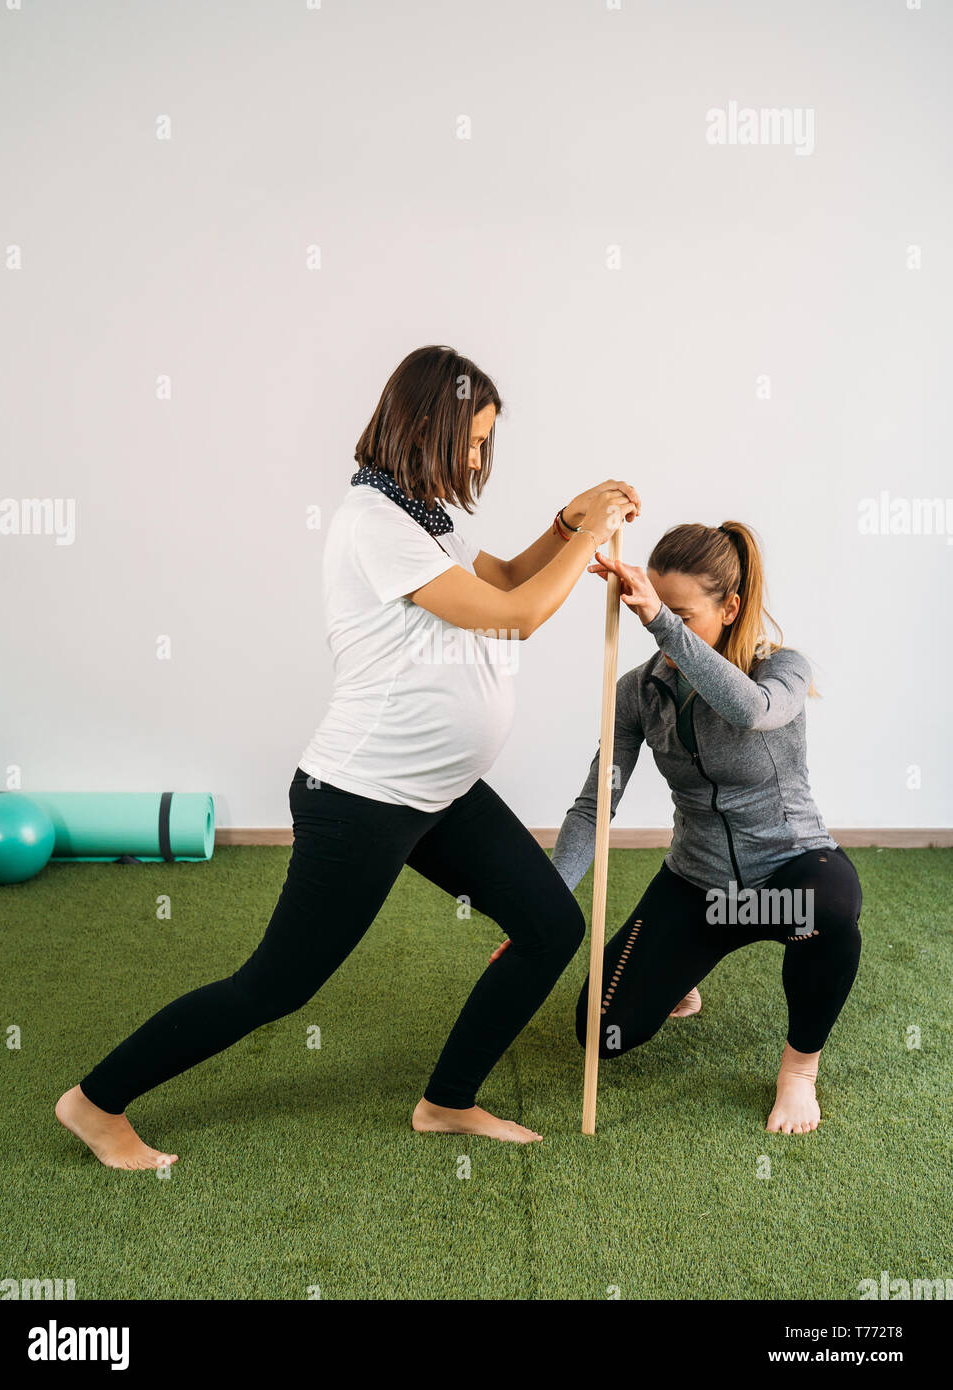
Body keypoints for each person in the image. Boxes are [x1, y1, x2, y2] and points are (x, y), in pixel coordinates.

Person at [55, 343, 639, 1165]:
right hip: (362, 797)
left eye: (485, 443)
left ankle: (446, 1103)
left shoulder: (426, 515)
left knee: (549, 924)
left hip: (438, 789)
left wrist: (565, 525)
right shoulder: (374, 524)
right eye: (471, 441)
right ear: (426, 426)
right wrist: (592, 534)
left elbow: (507, 576)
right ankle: (94, 1102)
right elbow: (517, 615)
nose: (478, 459)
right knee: (277, 986)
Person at [492, 520, 863, 1135]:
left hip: (788, 876)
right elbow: (594, 807)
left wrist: (658, 619)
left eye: (681, 616)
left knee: (829, 908)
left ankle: (799, 1070)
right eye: (658, 615)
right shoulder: (638, 692)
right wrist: (546, 901)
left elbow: (749, 710)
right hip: (702, 892)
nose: (665, 635)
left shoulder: (783, 670)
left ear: (731, 607)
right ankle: (683, 978)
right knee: (600, 1030)